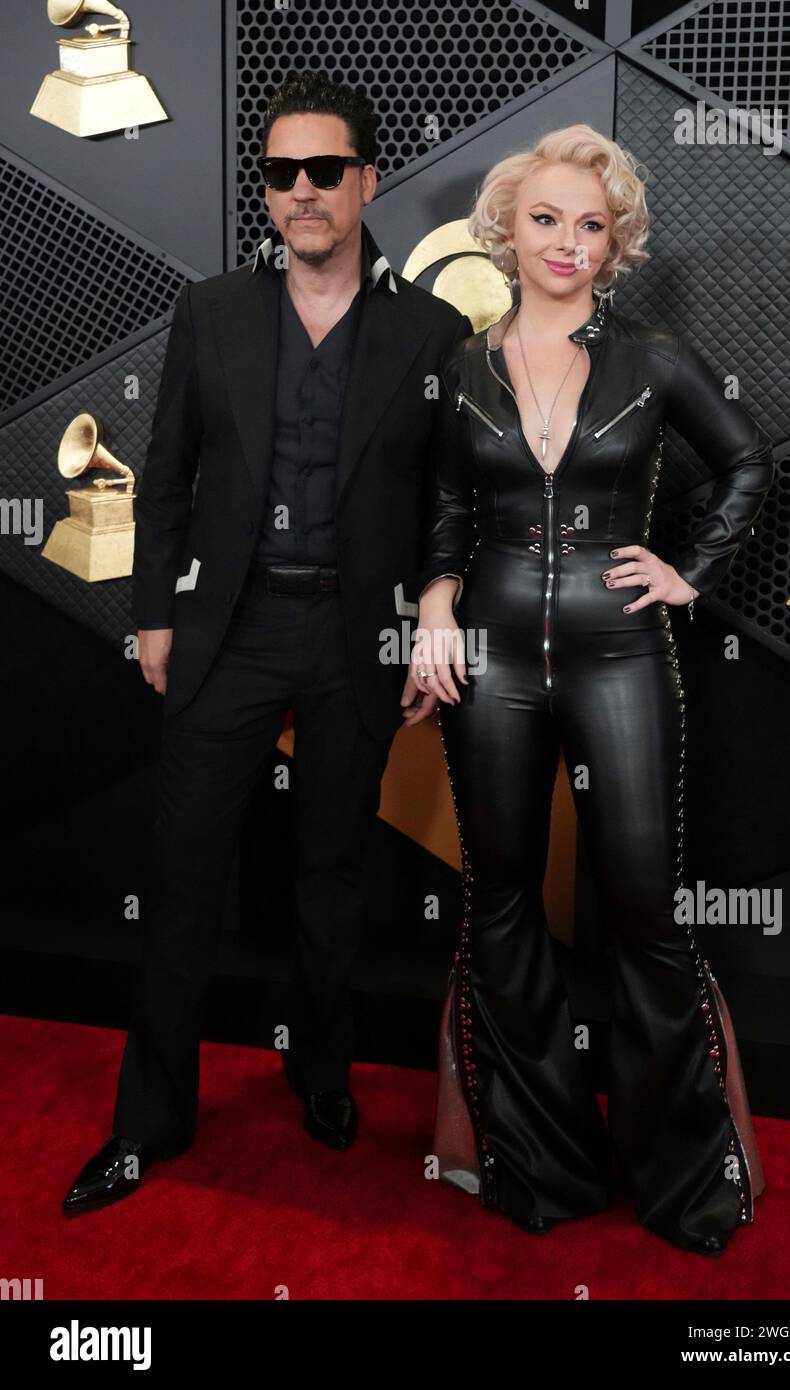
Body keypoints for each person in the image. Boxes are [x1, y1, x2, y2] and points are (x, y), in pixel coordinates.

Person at [63, 70, 472, 1214]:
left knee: (333, 878)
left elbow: (452, 496)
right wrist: (153, 615)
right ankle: (148, 1125)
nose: (300, 191)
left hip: (358, 634)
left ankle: (322, 1077)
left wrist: (433, 613)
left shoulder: (432, 331)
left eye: (323, 171)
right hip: (227, 629)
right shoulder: (211, 311)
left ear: (365, 181)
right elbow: (166, 481)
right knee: (184, 875)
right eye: (281, 172)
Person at [410, 123, 773, 1253]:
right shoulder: (462, 367)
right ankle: (538, 1164)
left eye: (590, 225)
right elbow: (446, 516)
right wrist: (431, 606)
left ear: (613, 244)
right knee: (504, 902)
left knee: (643, 912)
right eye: (545, 219)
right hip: (494, 657)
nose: (566, 242)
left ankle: (684, 1180)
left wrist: (687, 573)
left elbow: (746, 462)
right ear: (505, 231)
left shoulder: (653, 358)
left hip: (621, 655)